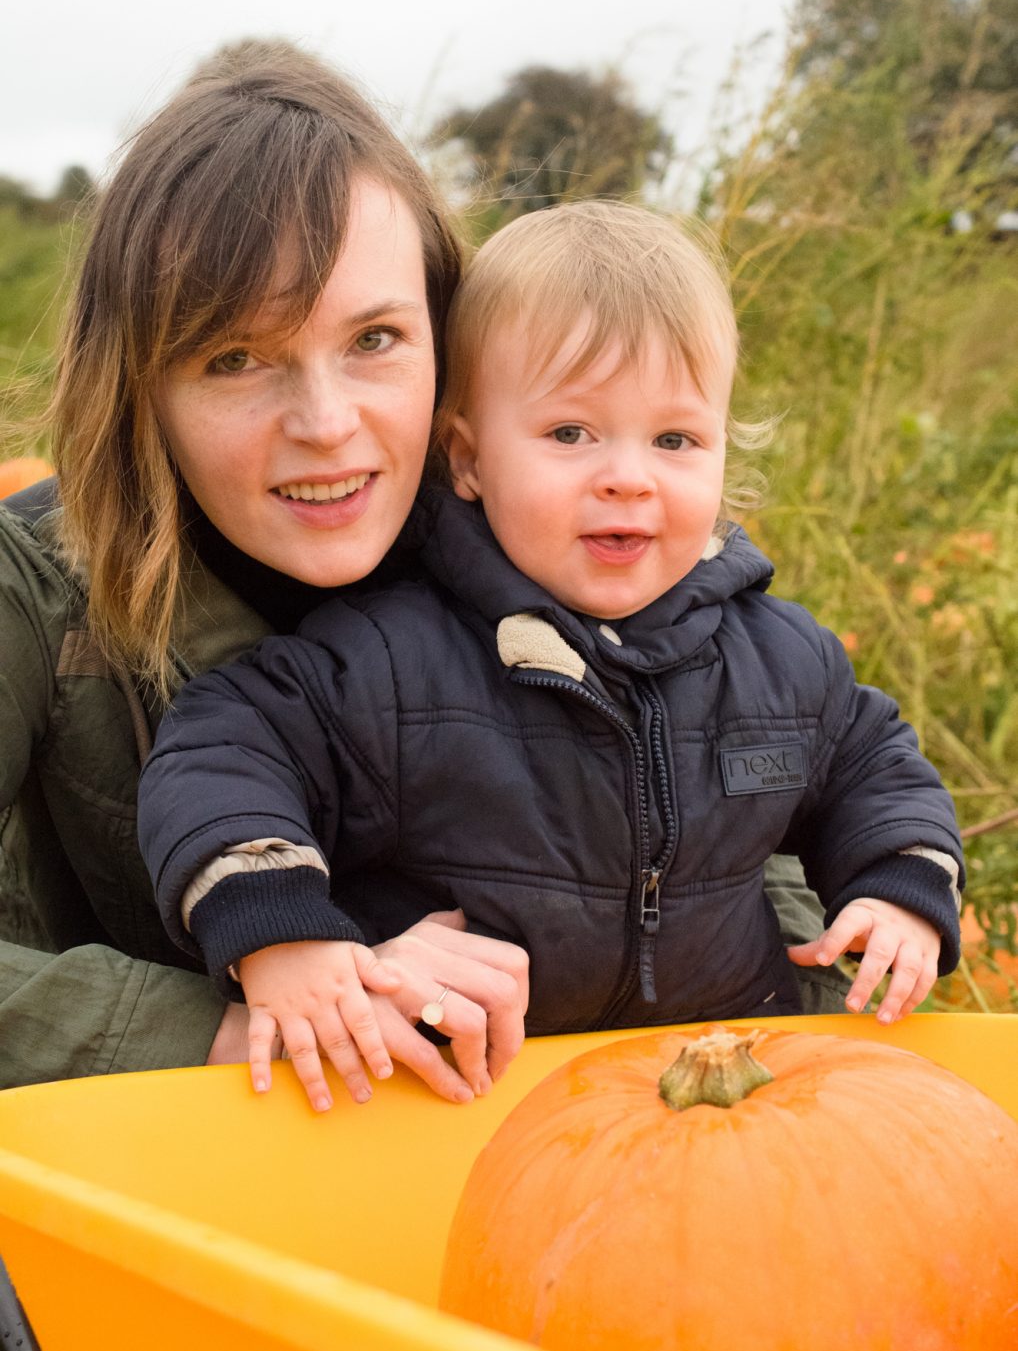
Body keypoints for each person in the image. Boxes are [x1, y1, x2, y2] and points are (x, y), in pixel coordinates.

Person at [137, 200, 963, 1113]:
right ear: (469, 458)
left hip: (719, 1094)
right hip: (468, 1107)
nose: (627, 475)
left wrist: (899, 886)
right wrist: (285, 935)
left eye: (675, 439)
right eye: (571, 434)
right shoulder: (395, 654)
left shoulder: (779, 658)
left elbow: (873, 760)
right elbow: (227, 745)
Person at [0, 39, 534, 1103]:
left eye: (374, 338)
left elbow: (759, 864)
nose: (327, 426)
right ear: (139, 386)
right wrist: (250, 1026)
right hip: (119, 1196)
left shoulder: (558, 549)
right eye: (234, 359)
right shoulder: (34, 587)